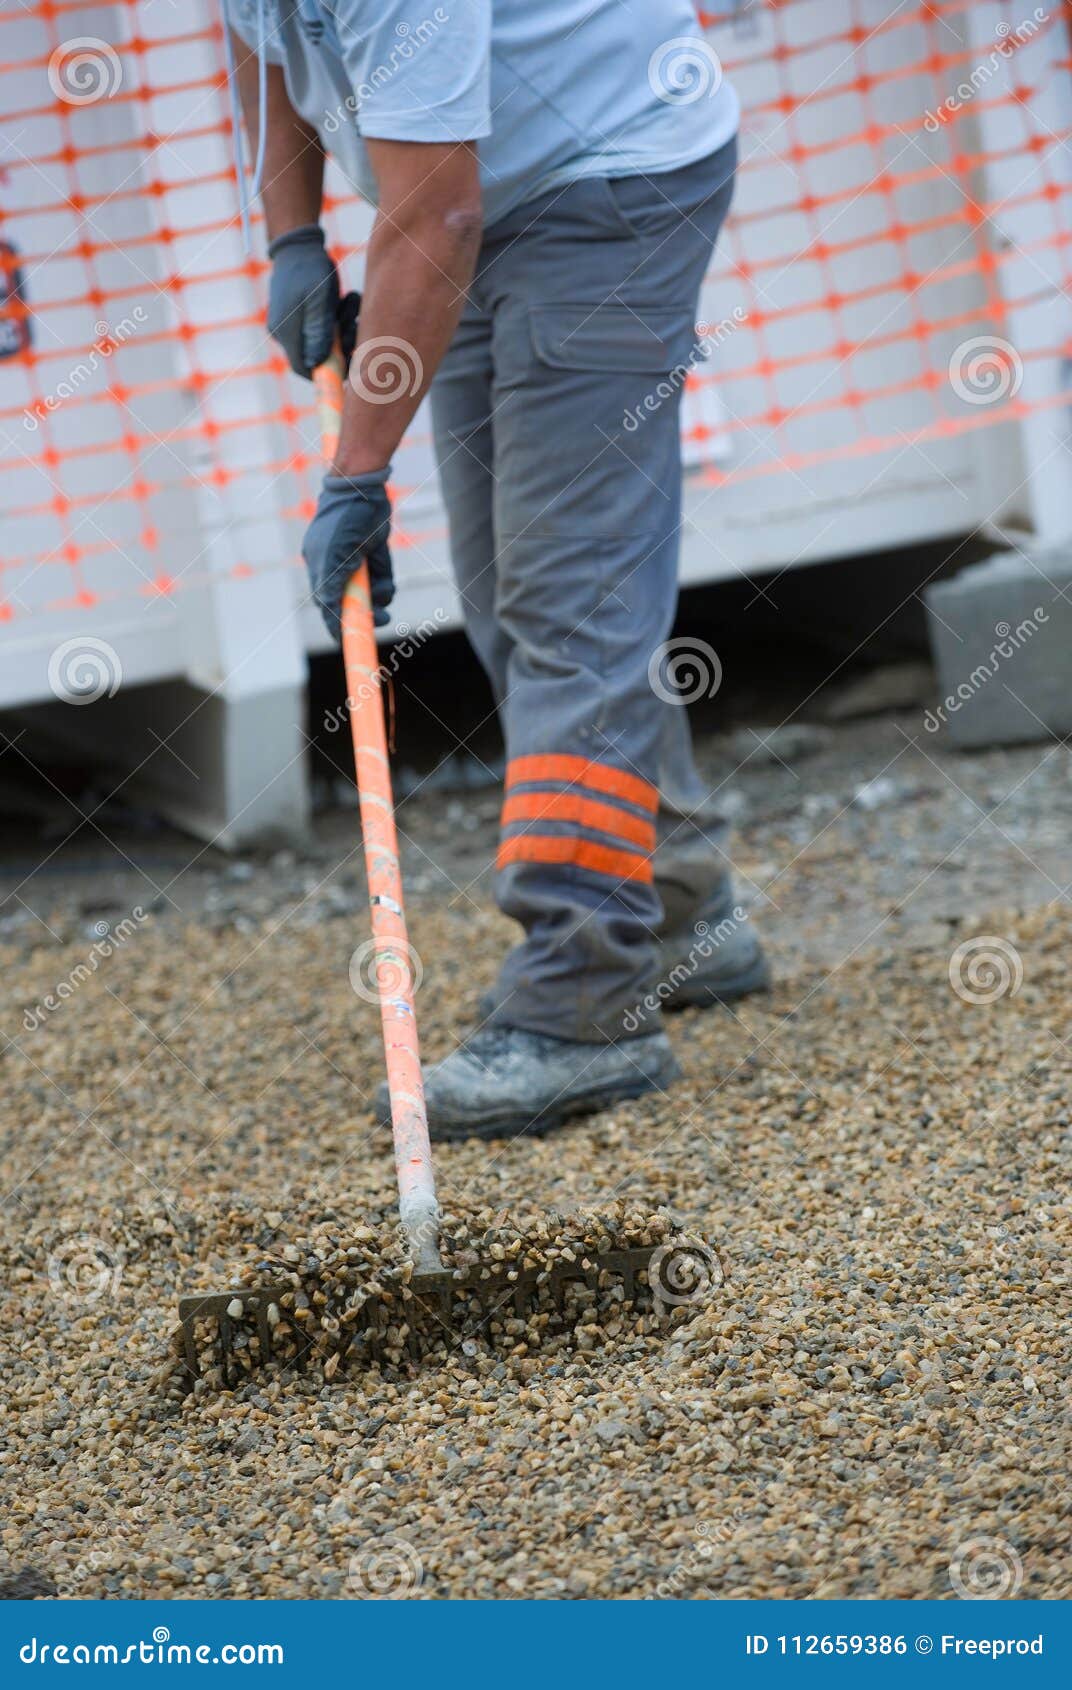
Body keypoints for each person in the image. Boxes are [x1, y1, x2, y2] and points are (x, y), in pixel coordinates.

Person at [224, 0, 768, 1140]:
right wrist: (289, 234)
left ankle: (583, 994)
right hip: (483, 189)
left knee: (567, 601)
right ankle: (673, 897)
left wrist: (355, 474)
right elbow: (266, 38)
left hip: (603, 182)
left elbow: (437, 208)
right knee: (515, 596)